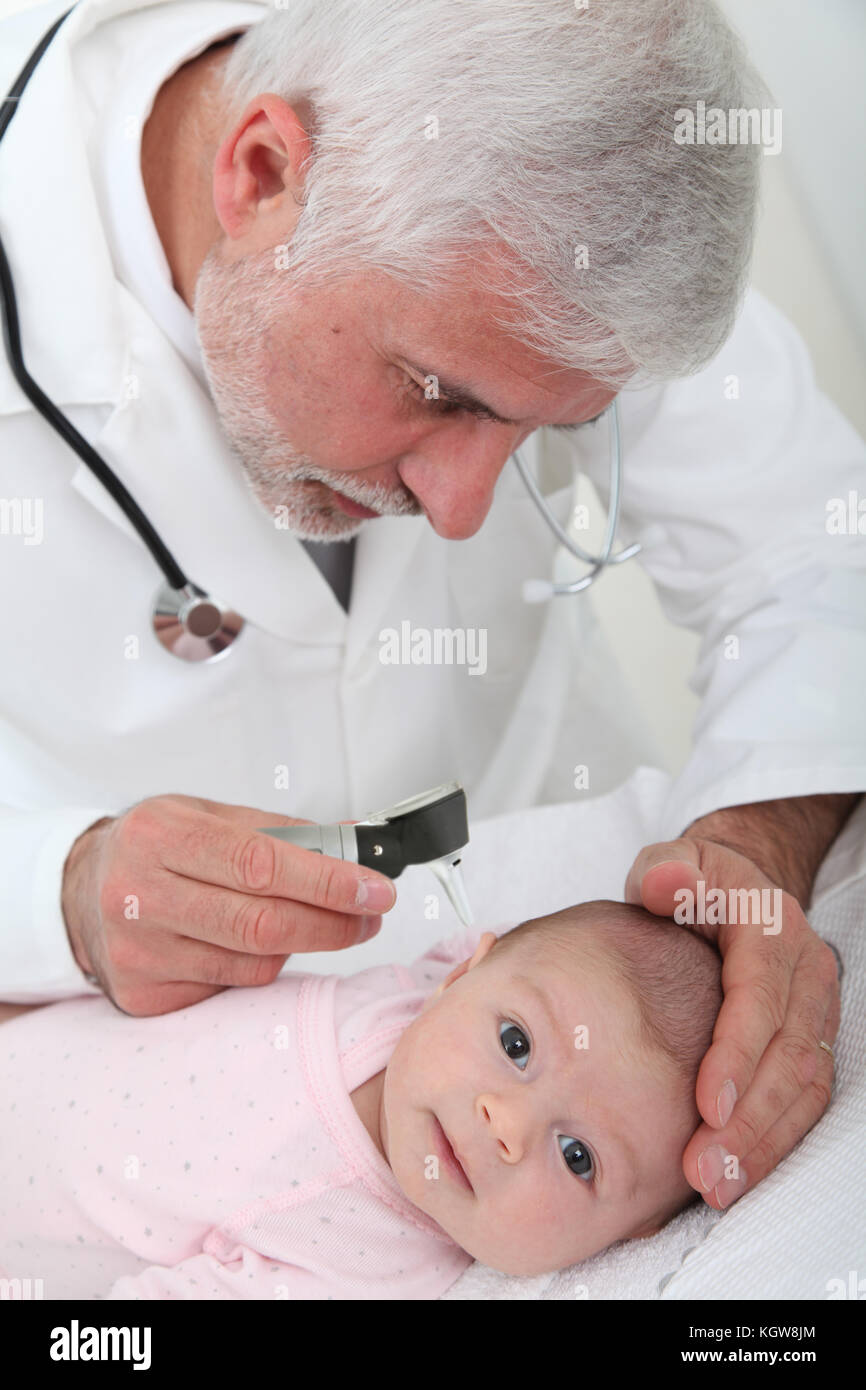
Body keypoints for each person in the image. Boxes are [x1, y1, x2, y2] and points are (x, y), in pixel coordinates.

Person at [0, 0, 861, 1228]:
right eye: (439, 393)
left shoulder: (564, 180)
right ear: (259, 174)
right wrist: (55, 893)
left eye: (543, 432)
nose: (462, 510)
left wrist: (749, 854)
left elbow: (817, 552)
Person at [0, 901, 726, 1297]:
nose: (505, 1125)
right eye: (516, 1045)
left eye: (577, 1157)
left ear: (626, 1239)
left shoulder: (364, 1268)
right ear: (461, 976)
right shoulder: (411, 1001)